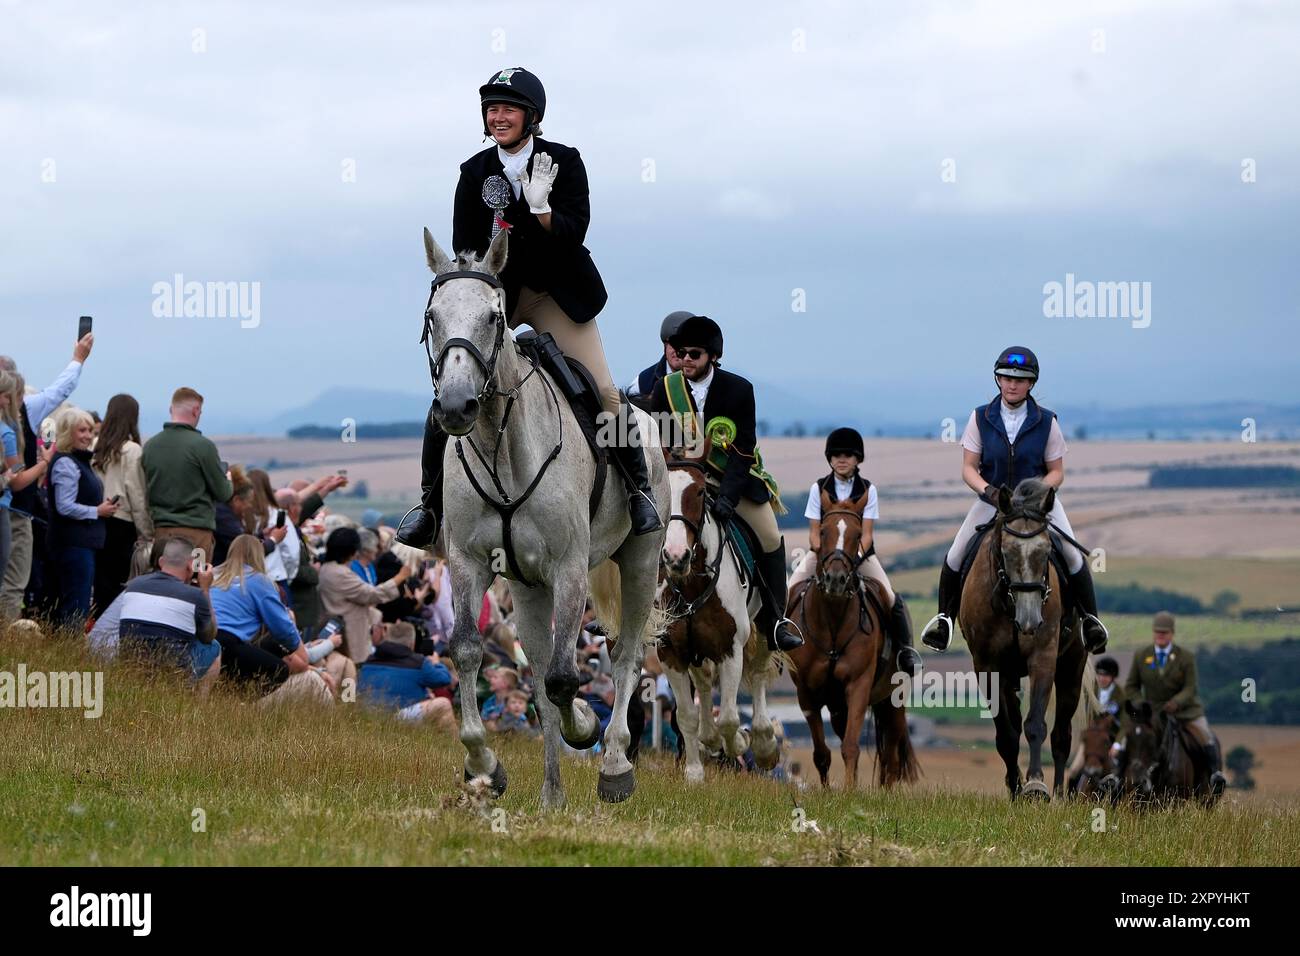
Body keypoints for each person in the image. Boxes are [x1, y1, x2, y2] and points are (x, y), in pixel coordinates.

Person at [396, 66, 661, 550]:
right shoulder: (474, 173)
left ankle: (639, 490)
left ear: (531, 116)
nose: (499, 117)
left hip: (556, 292)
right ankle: (429, 506)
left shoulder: (564, 160)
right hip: (499, 294)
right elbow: (465, 247)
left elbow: (573, 232)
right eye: (492, 109)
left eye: (508, 109)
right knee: (452, 389)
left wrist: (541, 212)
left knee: (604, 391)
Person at [918, 347, 1108, 654]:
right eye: (1006, 378)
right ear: (998, 379)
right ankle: (944, 620)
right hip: (994, 501)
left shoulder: (1047, 422)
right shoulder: (980, 417)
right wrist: (989, 491)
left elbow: (1057, 472)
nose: (1012, 384)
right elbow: (968, 467)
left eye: (1020, 380)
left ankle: (1090, 622)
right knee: (955, 554)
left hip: (1037, 504)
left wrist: (1036, 493)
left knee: (1073, 555)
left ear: (1031, 384)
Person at [649, 315, 803, 652]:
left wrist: (729, 499)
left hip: (732, 481)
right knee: (638, 526)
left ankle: (776, 620)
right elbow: (661, 444)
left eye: (694, 354)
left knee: (770, 537)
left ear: (712, 357)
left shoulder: (739, 390)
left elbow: (744, 450)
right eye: (681, 352)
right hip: (682, 480)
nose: (685, 359)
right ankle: (629, 611)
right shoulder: (665, 389)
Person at [788, 427, 920, 675]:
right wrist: (827, 556)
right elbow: (814, 533)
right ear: (829, 458)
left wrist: (850, 560)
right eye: (836, 455)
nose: (841, 460)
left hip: (859, 556)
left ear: (858, 459)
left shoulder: (869, 490)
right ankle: (777, 647)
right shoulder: (818, 488)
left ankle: (905, 651)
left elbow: (867, 536)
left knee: (891, 598)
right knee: (788, 591)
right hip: (822, 554)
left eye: (847, 455)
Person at [0, 332, 93, 623]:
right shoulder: (20, 416)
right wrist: (78, 359)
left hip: (12, 506)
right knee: (13, 580)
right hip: (14, 509)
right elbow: (59, 391)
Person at [207, 533, 346, 699]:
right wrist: (301, 654)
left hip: (205, 637)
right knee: (278, 670)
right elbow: (283, 628)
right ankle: (243, 705)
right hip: (230, 642)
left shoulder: (213, 575)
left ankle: (228, 700)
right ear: (260, 555)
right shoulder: (259, 581)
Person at [1117, 611, 1226, 798]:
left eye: (1164, 632)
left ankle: (1215, 774)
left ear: (1172, 634)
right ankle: (1116, 777)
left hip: (1185, 712)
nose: (1160, 635)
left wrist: (1176, 702)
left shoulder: (1186, 657)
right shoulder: (1142, 655)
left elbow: (1190, 687)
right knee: (1128, 739)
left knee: (1206, 737)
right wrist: (1140, 703)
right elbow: (1131, 686)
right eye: (1157, 632)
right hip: (1152, 713)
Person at [111, 536, 221, 697]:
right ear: (191, 565)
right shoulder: (195, 596)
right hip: (173, 677)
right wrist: (205, 589)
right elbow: (209, 635)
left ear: (161, 561)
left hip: (130, 669)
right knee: (214, 646)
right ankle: (198, 704)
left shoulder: (133, 585)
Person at [141, 387, 233, 562]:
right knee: (198, 582)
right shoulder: (203, 446)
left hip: (162, 534)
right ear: (196, 410)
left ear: (171, 409)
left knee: (166, 583)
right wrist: (228, 480)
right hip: (196, 535)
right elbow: (223, 493)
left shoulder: (151, 446)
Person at [48, 407, 115, 628]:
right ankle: (69, 650)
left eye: (90, 431)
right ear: (68, 432)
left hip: (81, 543)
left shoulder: (78, 461)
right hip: (72, 544)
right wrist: (97, 511)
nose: (88, 436)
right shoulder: (66, 463)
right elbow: (64, 506)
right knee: (75, 604)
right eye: (82, 431)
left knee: (77, 601)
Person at [90, 393, 153, 611]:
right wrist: (146, 532)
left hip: (97, 519)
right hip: (122, 522)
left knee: (100, 583)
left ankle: (95, 629)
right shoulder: (132, 450)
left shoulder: (95, 446)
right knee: (119, 584)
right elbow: (136, 493)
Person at [0, 370, 57, 604]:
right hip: (9, 507)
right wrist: (44, 462)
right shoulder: (6, 431)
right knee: (12, 581)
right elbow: (16, 479)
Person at [318, 526, 411, 663]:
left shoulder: (328, 569)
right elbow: (370, 594)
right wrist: (399, 578)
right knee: (350, 678)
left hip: (344, 630)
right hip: (350, 635)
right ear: (351, 550)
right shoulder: (340, 573)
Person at [357, 620, 455, 727]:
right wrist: (436, 663)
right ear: (411, 644)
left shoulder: (369, 659)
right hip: (395, 718)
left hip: (366, 716)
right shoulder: (419, 662)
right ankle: (455, 744)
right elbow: (444, 679)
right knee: (443, 705)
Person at [626, 310, 690, 406]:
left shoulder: (710, 380)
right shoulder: (642, 383)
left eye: (682, 345)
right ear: (665, 345)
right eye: (673, 344)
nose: (677, 351)